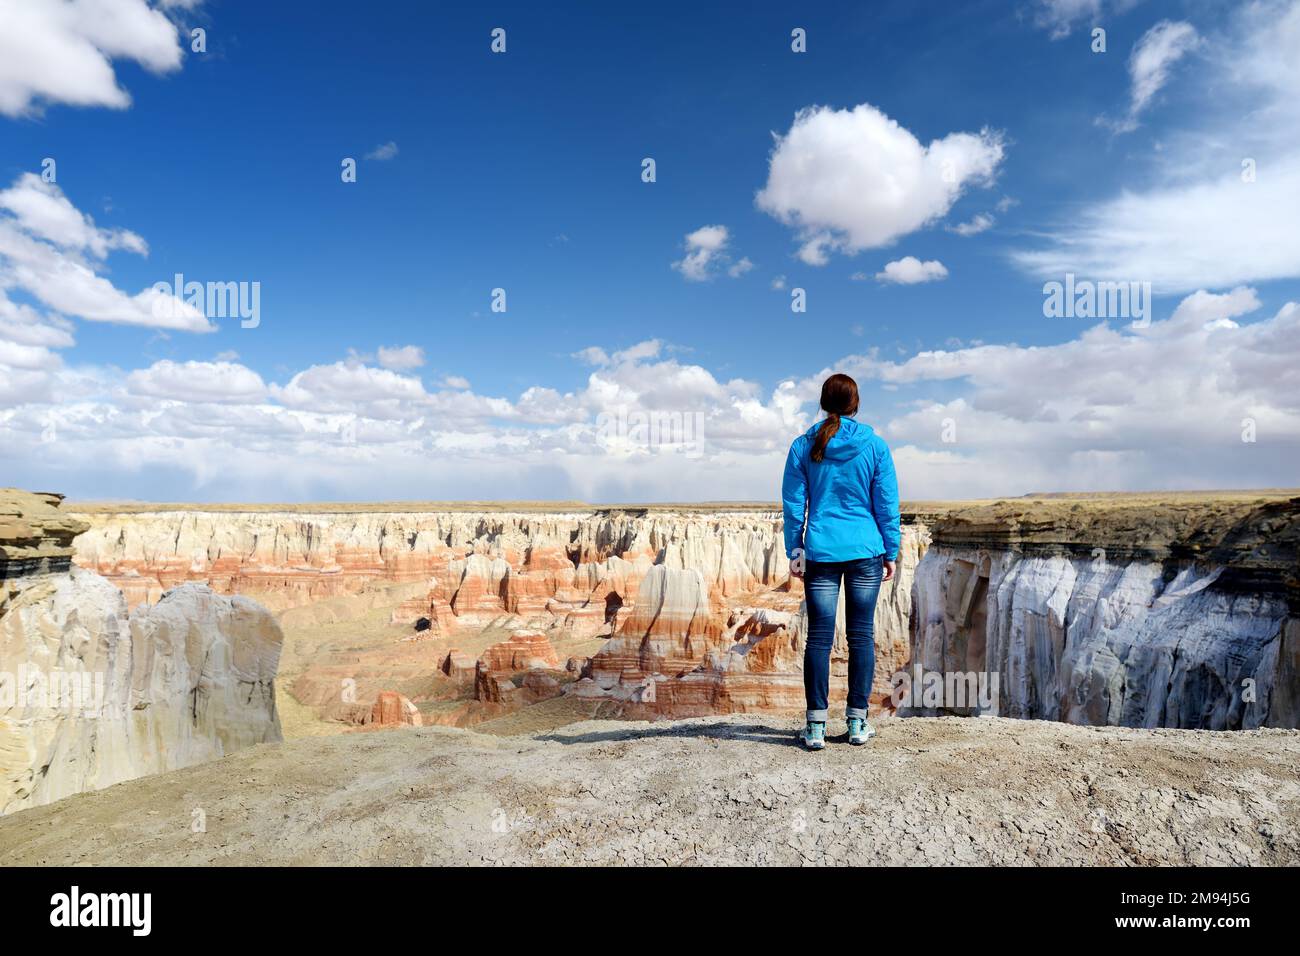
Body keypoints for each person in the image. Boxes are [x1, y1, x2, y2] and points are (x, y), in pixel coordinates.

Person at [781, 373, 900, 750]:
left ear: (823, 402)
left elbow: (793, 504)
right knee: (861, 636)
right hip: (866, 551)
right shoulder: (876, 447)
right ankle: (858, 724)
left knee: (818, 638)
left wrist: (795, 550)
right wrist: (891, 550)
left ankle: (815, 727)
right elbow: (887, 504)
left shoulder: (803, 445)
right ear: (856, 403)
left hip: (821, 552)